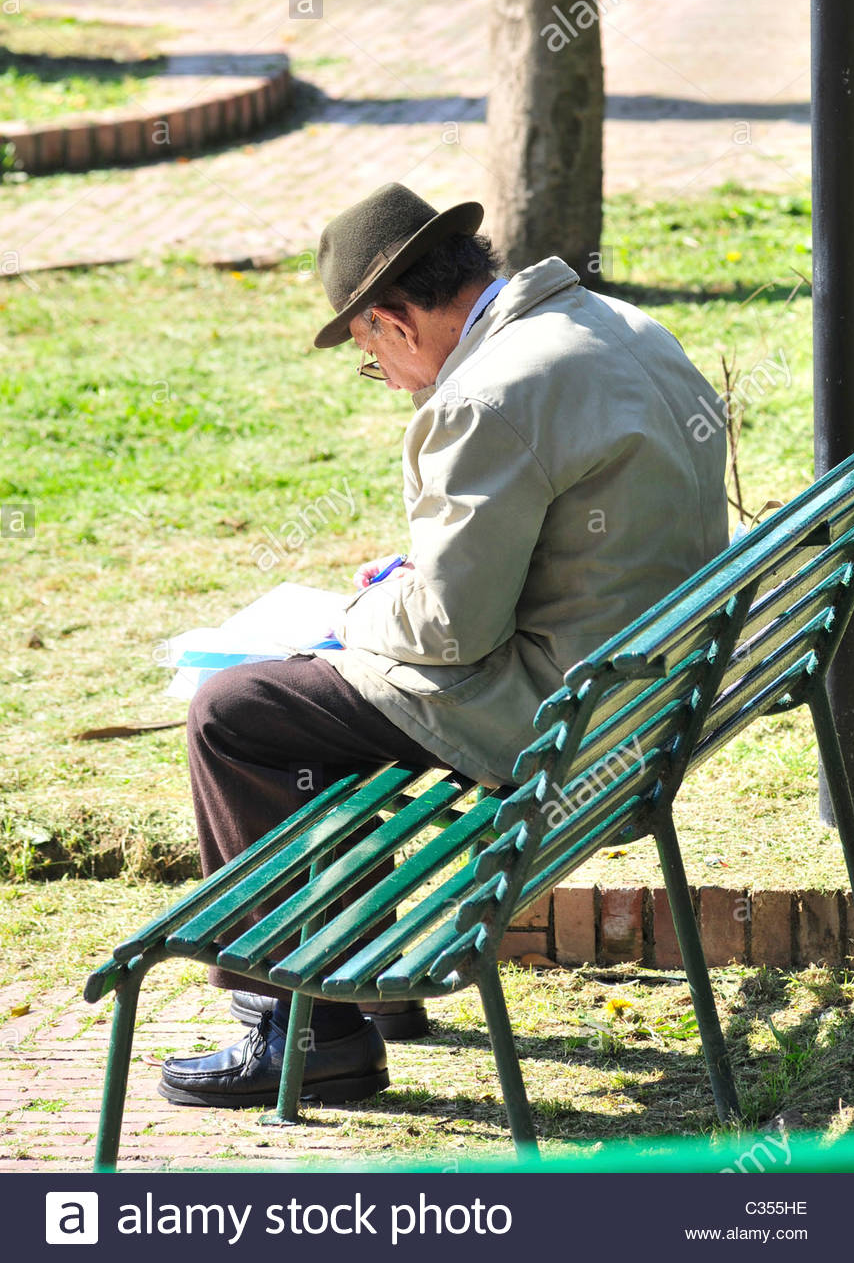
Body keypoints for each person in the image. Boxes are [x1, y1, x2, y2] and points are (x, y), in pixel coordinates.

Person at [159, 182, 728, 1110]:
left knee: (238, 713)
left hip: (560, 715)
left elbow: (452, 632)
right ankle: (362, 980)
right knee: (316, 706)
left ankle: (298, 1031)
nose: (385, 379)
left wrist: (348, 616)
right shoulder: (618, 324)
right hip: (653, 688)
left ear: (389, 323)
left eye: (369, 361)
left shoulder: (486, 395)